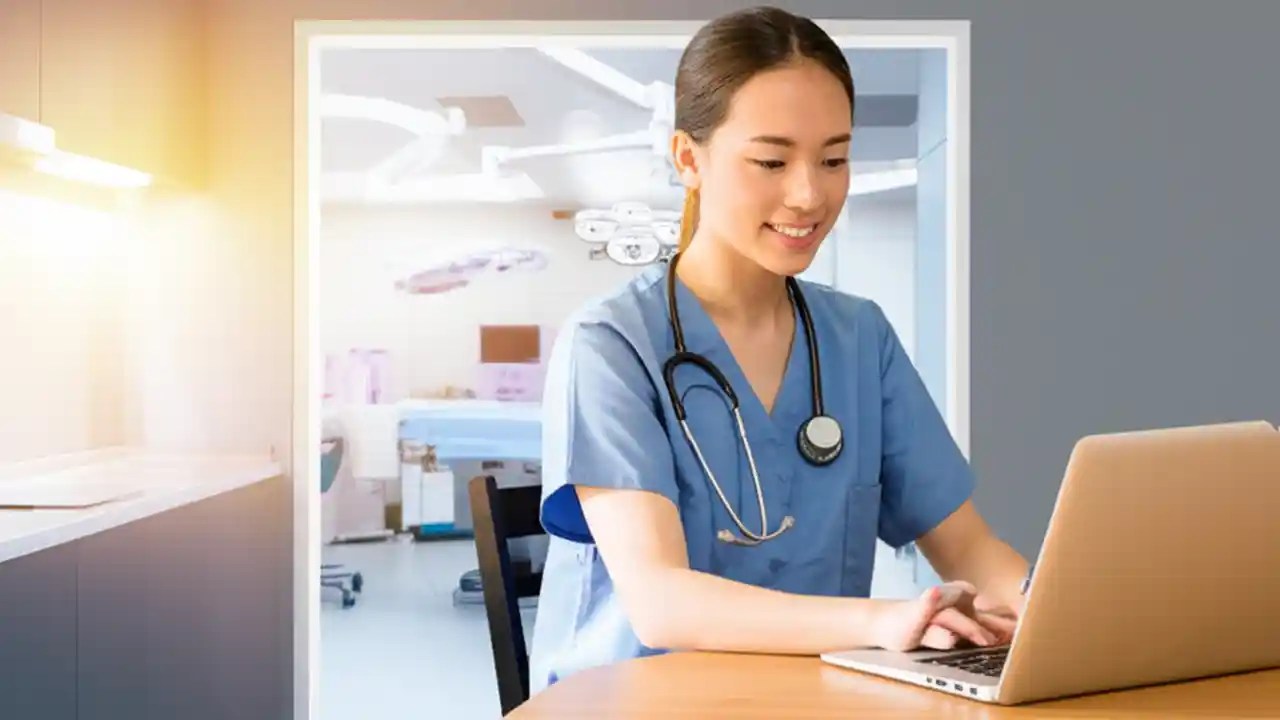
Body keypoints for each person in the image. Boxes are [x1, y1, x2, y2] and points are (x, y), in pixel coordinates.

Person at [527, 6, 1030, 694]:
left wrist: (1053, 613)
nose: (809, 194)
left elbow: (968, 546)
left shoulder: (859, 339)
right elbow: (662, 604)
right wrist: (885, 621)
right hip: (636, 699)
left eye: (834, 159)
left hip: (805, 699)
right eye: (771, 160)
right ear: (688, 159)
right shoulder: (613, 344)